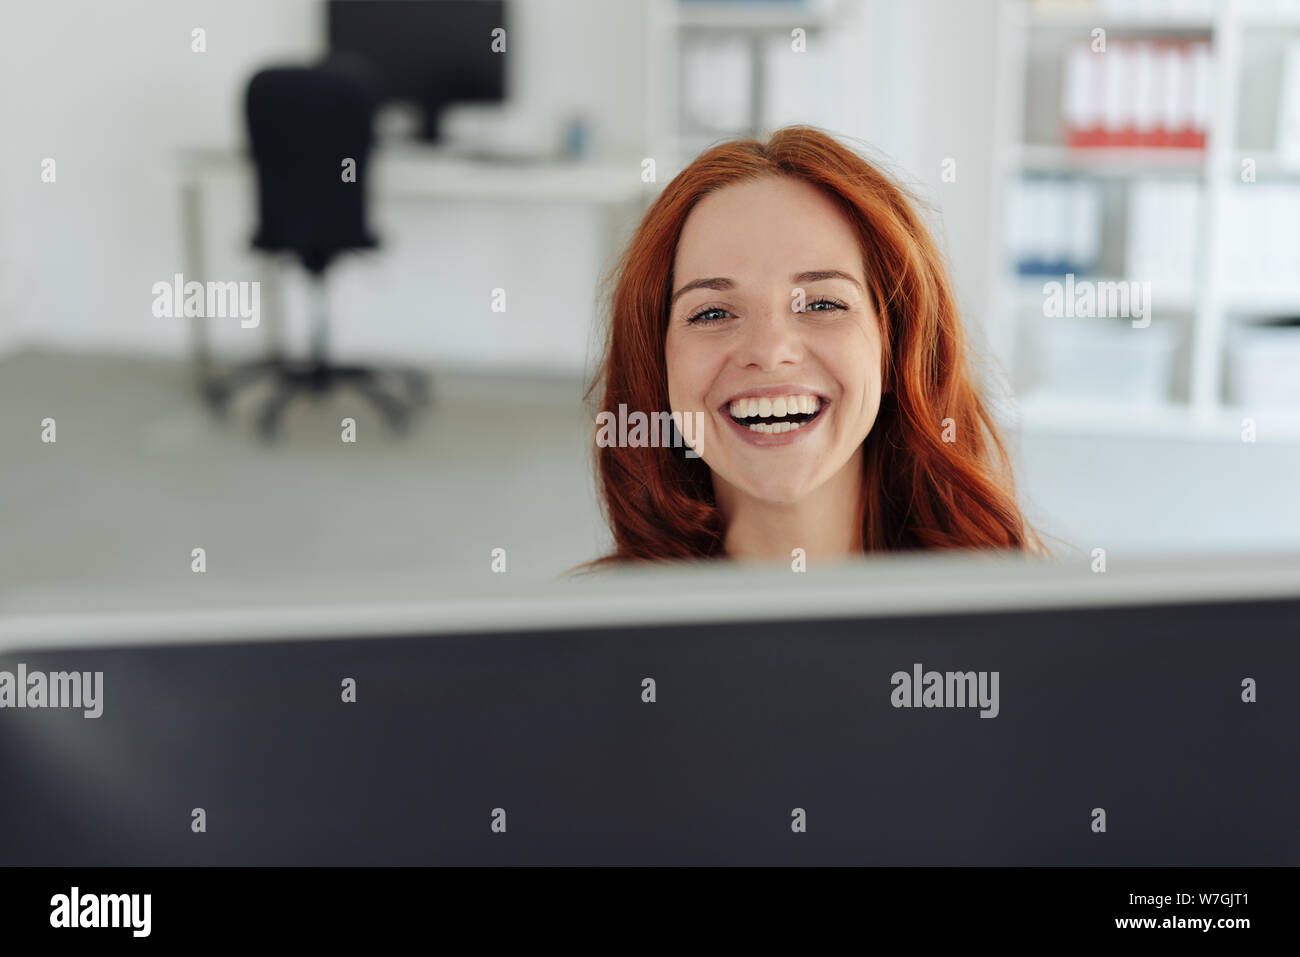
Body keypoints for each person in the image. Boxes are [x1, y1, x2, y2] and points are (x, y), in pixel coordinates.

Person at [580, 125, 1046, 570]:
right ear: (657, 363)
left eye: (822, 303)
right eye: (713, 313)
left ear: (894, 349)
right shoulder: (587, 638)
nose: (769, 350)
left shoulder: (1017, 623)